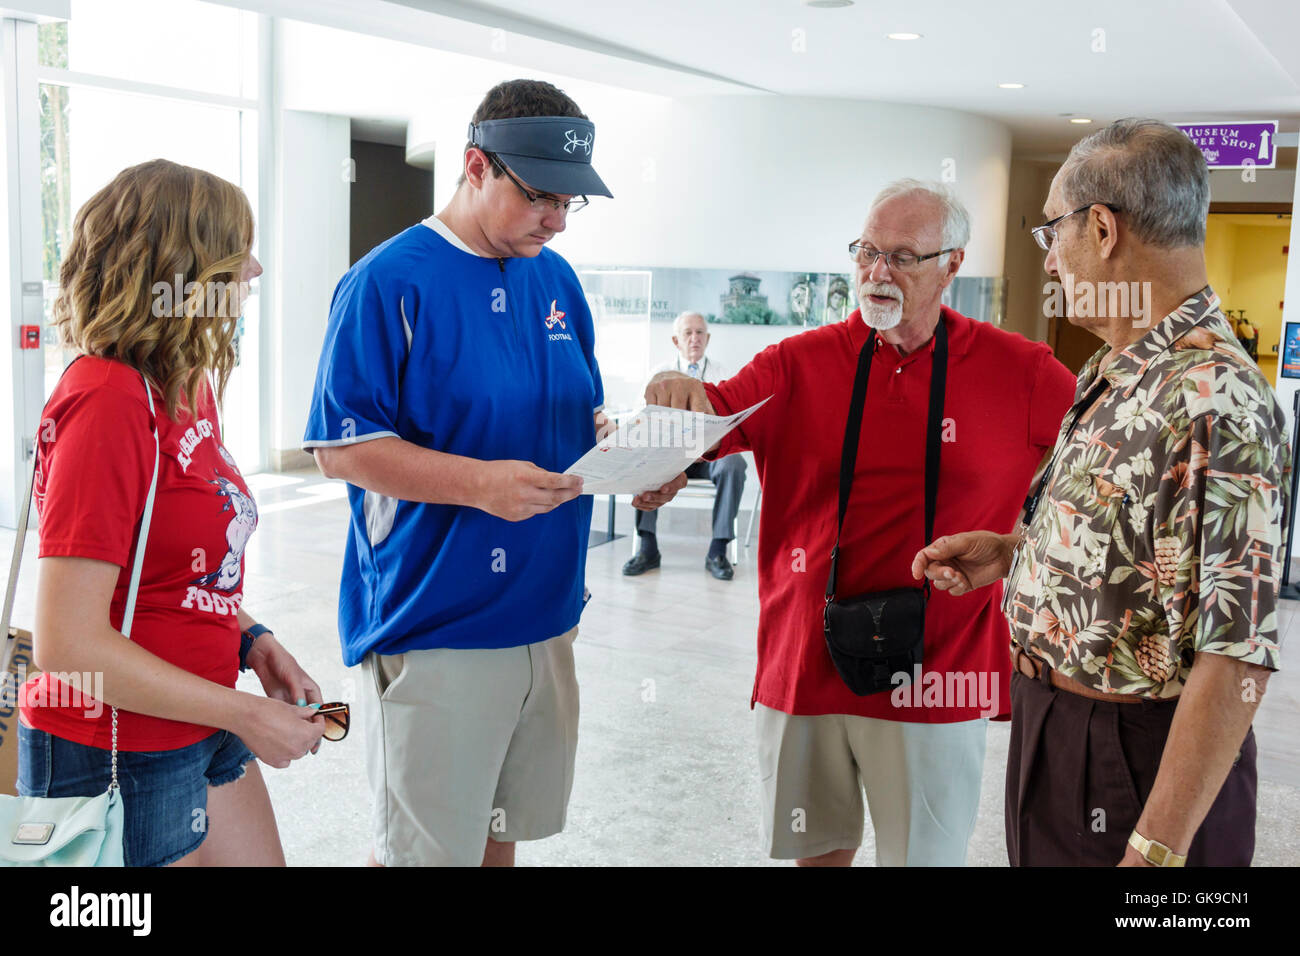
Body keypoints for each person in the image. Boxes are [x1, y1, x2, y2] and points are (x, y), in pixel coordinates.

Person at [304, 79, 685, 868]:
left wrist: (624, 456)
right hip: (440, 619)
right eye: (542, 196)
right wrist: (479, 485)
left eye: (571, 203)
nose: (556, 219)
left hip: (545, 615)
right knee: (422, 853)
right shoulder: (386, 282)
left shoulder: (556, 280)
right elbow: (341, 447)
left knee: (499, 836)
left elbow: (571, 412)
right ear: (476, 167)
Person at [648, 180, 1077, 866]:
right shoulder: (795, 363)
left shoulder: (1021, 371)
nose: (878, 273)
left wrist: (1022, 545)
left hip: (938, 674)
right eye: (867, 252)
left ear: (952, 264)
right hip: (804, 660)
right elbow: (707, 420)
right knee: (816, 853)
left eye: (903, 257)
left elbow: (1107, 471)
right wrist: (666, 424)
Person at [912, 118, 1287, 866]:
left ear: (1104, 230)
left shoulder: (1215, 396)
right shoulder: (1117, 367)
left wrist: (1155, 848)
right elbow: (1147, 549)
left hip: (1134, 759)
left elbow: (1237, 654)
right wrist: (1016, 554)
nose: (1049, 261)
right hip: (1058, 732)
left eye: (1052, 233)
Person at [17, 159, 326, 867]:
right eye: (233, 254)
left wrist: (252, 640)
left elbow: (169, 566)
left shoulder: (187, 388)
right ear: (181, 273)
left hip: (197, 713)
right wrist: (249, 714)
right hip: (113, 747)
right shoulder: (107, 400)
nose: (251, 273)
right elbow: (66, 642)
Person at [623, 311, 747, 580]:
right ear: (675, 340)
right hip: (669, 458)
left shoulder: (724, 374)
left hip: (709, 457)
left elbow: (735, 422)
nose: (694, 338)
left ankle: (718, 549)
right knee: (646, 459)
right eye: (688, 333)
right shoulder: (658, 374)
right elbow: (638, 417)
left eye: (700, 332)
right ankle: (647, 547)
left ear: (708, 338)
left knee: (735, 462)